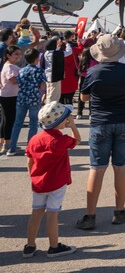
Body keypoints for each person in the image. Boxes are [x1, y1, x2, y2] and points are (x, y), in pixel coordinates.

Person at [76, 34, 125, 230]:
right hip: (124, 121)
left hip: (100, 122)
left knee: (97, 167)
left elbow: (84, 98)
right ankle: (119, 211)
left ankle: (90, 216)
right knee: (121, 166)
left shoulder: (93, 72)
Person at [23, 101, 80, 258]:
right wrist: (73, 125)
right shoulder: (61, 140)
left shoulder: (35, 139)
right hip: (57, 183)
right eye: (66, 118)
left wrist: (32, 176)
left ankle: (30, 246)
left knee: (36, 213)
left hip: (38, 183)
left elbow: (29, 160)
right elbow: (78, 140)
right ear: (60, 122)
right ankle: (54, 246)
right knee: (52, 214)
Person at [7, 48, 47, 156]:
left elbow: (18, 82)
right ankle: (29, 148)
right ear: (36, 59)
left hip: (21, 98)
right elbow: (43, 85)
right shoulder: (39, 71)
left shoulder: (21, 70)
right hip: (34, 99)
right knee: (33, 124)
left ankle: (12, 148)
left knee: (18, 123)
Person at [0, 45, 22, 154]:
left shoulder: (8, 65)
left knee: (5, 120)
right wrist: (24, 78)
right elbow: (13, 80)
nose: (18, 56)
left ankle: (3, 142)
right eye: (16, 54)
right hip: (10, 96)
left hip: (6, 95)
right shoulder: (11, 67)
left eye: (19, 54)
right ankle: (7, 144)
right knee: (10, 120)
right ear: (8, 55)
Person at [41, 36, 74, 103]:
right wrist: (67, 44)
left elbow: (56, 52)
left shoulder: (46, 53)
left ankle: (48, 106)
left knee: (49, 92)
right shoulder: (56, 53)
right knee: (54, 96)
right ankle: (50, 108)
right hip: (55, 77)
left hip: (47, 76)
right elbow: (69, 52)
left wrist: (58, 46)